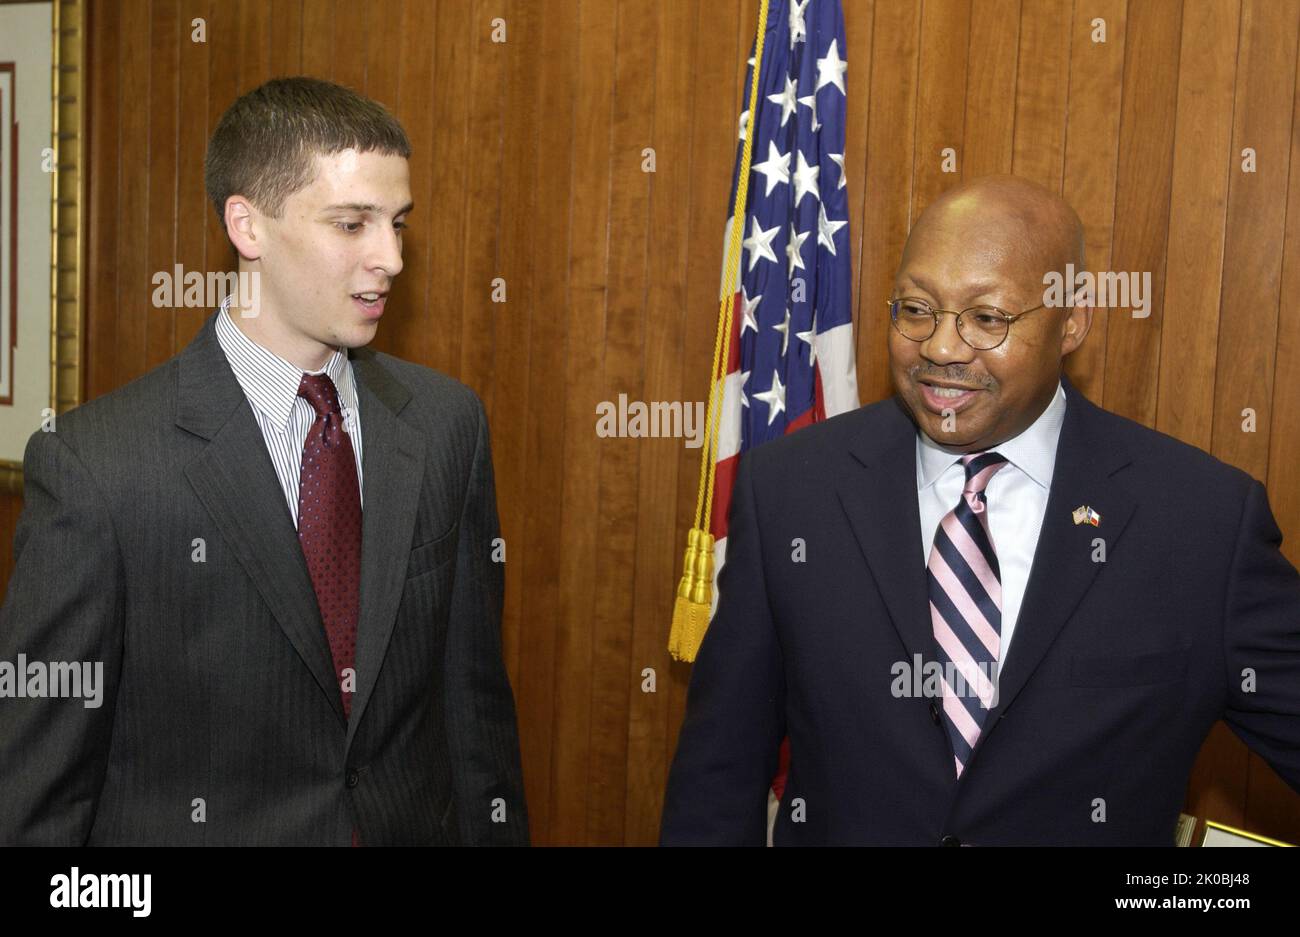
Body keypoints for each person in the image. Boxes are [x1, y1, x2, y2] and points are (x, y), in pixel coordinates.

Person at [660, 174, 1300, 845]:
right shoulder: (792, 491)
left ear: (1073, 318)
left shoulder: (1201, 523)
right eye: (915, 309)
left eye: (987, 318)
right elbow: (718, 778)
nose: (940, 347)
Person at [0, 77, 528, 845]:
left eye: (399, 224)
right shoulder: (98, 469)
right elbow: (36, 807)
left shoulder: (448, 426)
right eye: (352, 224)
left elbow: (477, 727)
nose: (391, 258)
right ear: (248, 225)